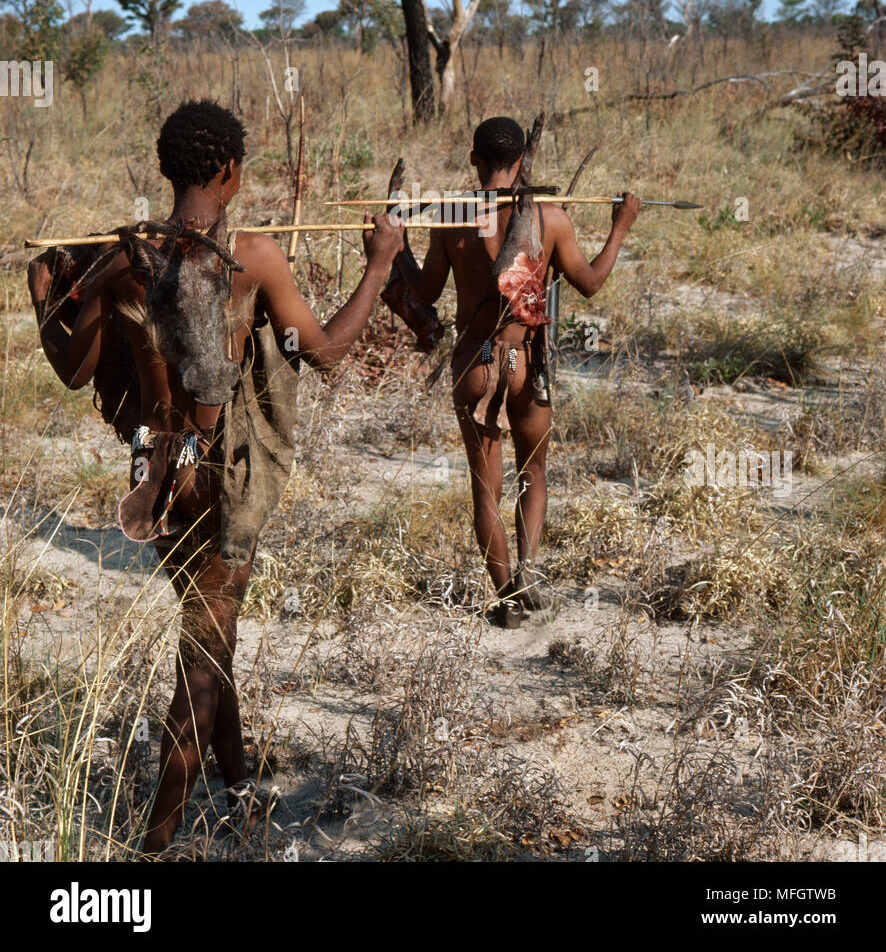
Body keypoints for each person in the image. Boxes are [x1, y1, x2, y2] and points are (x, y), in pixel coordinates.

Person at [27, 98, 404, 853]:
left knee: (209, 625)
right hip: (224, 473)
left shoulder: (120, 256)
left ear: (166, 170)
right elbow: (323, 351)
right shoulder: (254, 257)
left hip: (155, 471)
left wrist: (42, 295)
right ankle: (155, 842)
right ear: (230, 172)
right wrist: (382, 264)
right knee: (201, 659)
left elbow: (75, 370)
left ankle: (235, 783)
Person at [405, 116, 641, 627]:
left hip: (476, 364)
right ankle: (528, 573)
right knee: (534, 472)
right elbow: (592, 282)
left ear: (474, 159)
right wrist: (621, 227)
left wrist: (391, 248)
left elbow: (422, 293)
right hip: (529, 363)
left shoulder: (450, 215)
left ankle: (507, 600)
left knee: (485, 487)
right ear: (521, 163)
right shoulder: (551, 218)